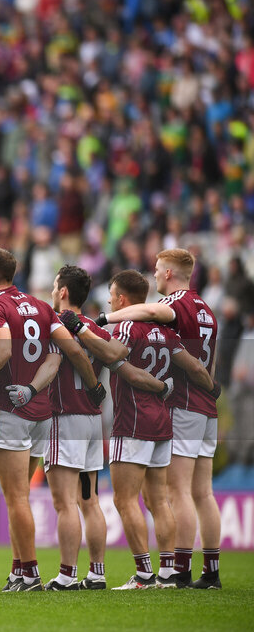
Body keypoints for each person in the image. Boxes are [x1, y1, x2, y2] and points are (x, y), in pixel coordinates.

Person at [0, 248, 103, 592]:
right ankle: (19, 571)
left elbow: (4, 350)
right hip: (40, 412)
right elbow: (68, 350)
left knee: (16, 499)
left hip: (7, 409)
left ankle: (31, 574)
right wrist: (94, 385)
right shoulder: (41, 306)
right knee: (21, 495)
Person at [68, 270, 213, 589]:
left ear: (121, 299)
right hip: (162, 421)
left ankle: (144, 574)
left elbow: (112, 355)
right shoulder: (165, 331)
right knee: (158, 500)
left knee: (124, 499)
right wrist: (211, 388)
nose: (108, 300)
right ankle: (168, 573)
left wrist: (80, 328)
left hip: (132, 422)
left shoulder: (127, 327)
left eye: (111, 294)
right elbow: (195, 365)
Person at [100, 249, 223, 588]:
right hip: (207, 408)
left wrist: (108, 319)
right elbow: (207, 361)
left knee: (178, 491)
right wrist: (212, 387)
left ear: (169, 274)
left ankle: (178, 570)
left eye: (157, 270)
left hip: (182, 404)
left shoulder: (178, 303)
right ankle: (210, 570)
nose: (154, 276)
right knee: (203, 493)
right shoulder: (207, 311)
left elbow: (153, 309)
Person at [44, 265, 111, 590]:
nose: (53, 292)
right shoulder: (96, 331)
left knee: (64, 503)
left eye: (56, 287)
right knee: (90, 500)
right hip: (91, 420)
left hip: (64, 416)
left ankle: (67, 575)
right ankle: (96, 573)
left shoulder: (56, 326)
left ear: (64, 292)